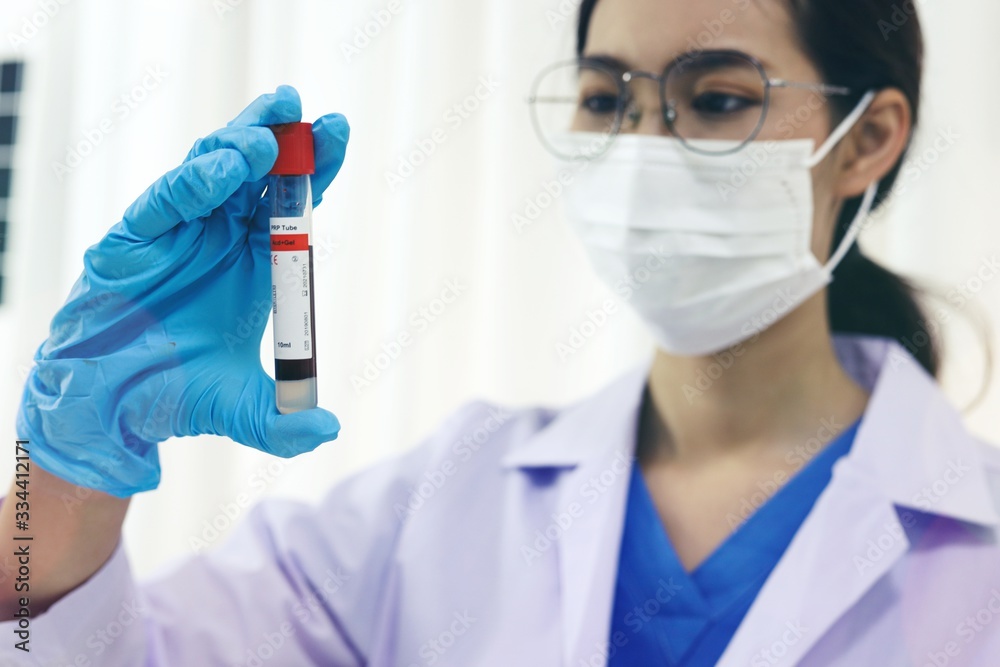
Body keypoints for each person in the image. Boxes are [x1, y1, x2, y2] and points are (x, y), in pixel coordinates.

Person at [2, 0, 999, 664]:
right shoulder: (444, 505)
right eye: (606, 99)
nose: (641, 150)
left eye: (719, 100)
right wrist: (69, 472)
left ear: (866, 139)